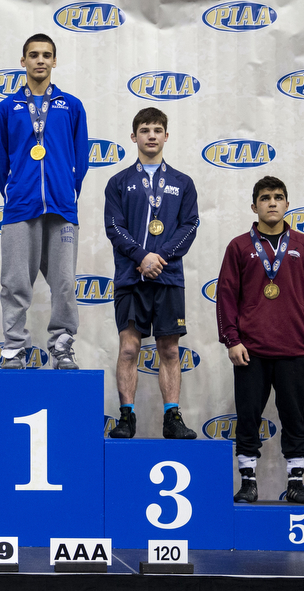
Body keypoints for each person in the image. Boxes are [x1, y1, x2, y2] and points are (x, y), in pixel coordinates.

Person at [215, 176, 304, 504]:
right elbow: (226, 296)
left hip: (294, 347)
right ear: (254, 206)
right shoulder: (239, 246)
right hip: (250, 350)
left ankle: (296, 482)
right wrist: (231, 340)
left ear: (287, 204)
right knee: (248, 416)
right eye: (265, 198)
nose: (272, 203)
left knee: (294, 417)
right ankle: (248, 482)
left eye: (279, 197)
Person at [0, 33, 89, 370]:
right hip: (20, 208)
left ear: (55, 61)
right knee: (16, 282)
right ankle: (15, 349)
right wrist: (17, 189)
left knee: (63, 284)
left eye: (47, 55)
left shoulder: (71, 106)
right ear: (23, 62)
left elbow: (81, 158)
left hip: (61, 208)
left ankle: (62, 347)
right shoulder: (7, 108)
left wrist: (66, 190)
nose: (40, 60)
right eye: (34, 55)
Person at [105, 108, 200, 440]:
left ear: (166, 136)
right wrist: (142, 256)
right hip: (131, 278)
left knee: (170, 350)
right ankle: (126, 416)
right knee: (129, 348)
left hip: (168, 278)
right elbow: (114, 227)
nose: (151, 135)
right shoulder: (118, 182)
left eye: (157, 130)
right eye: (144, 130)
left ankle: (172, 417)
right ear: (134, 137)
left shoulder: (182, 183)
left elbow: (189, 227)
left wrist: (160, 257)